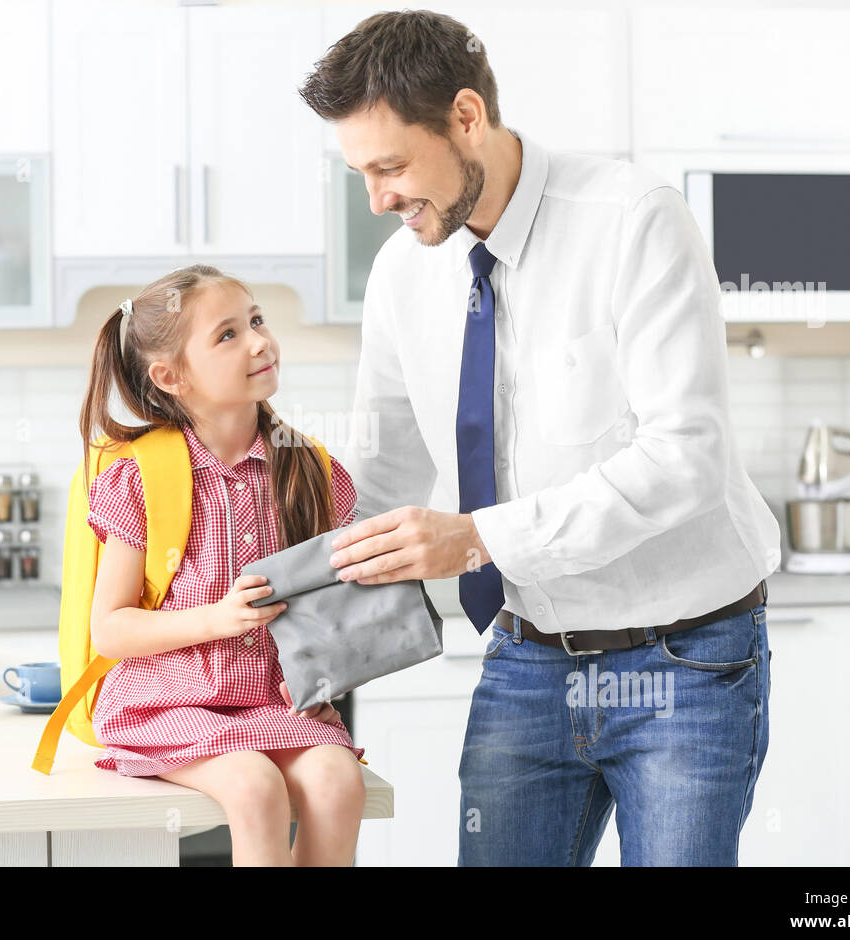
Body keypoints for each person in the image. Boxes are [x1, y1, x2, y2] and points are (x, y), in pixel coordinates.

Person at [299, 10, 781, 865]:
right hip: (527, 659)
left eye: (391, 166)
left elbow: (686, 457)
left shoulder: (632, 219)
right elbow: (379, 482)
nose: (377, 199)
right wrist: (279, 620)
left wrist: (477, 539)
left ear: (466, 117)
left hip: (687, 659)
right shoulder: (403, 272)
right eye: (359, 174)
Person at [79, 263, 367, 867]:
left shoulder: (311, 471)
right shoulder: (141, 478)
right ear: (171, 376)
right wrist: (217, 618)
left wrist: (322, 672)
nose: (259, 341)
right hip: (171, 704)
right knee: (255, 786)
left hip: (273, 705)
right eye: (228, 334)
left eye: (256, 320)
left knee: (339, 782)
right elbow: (110, 629)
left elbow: (331, 609)